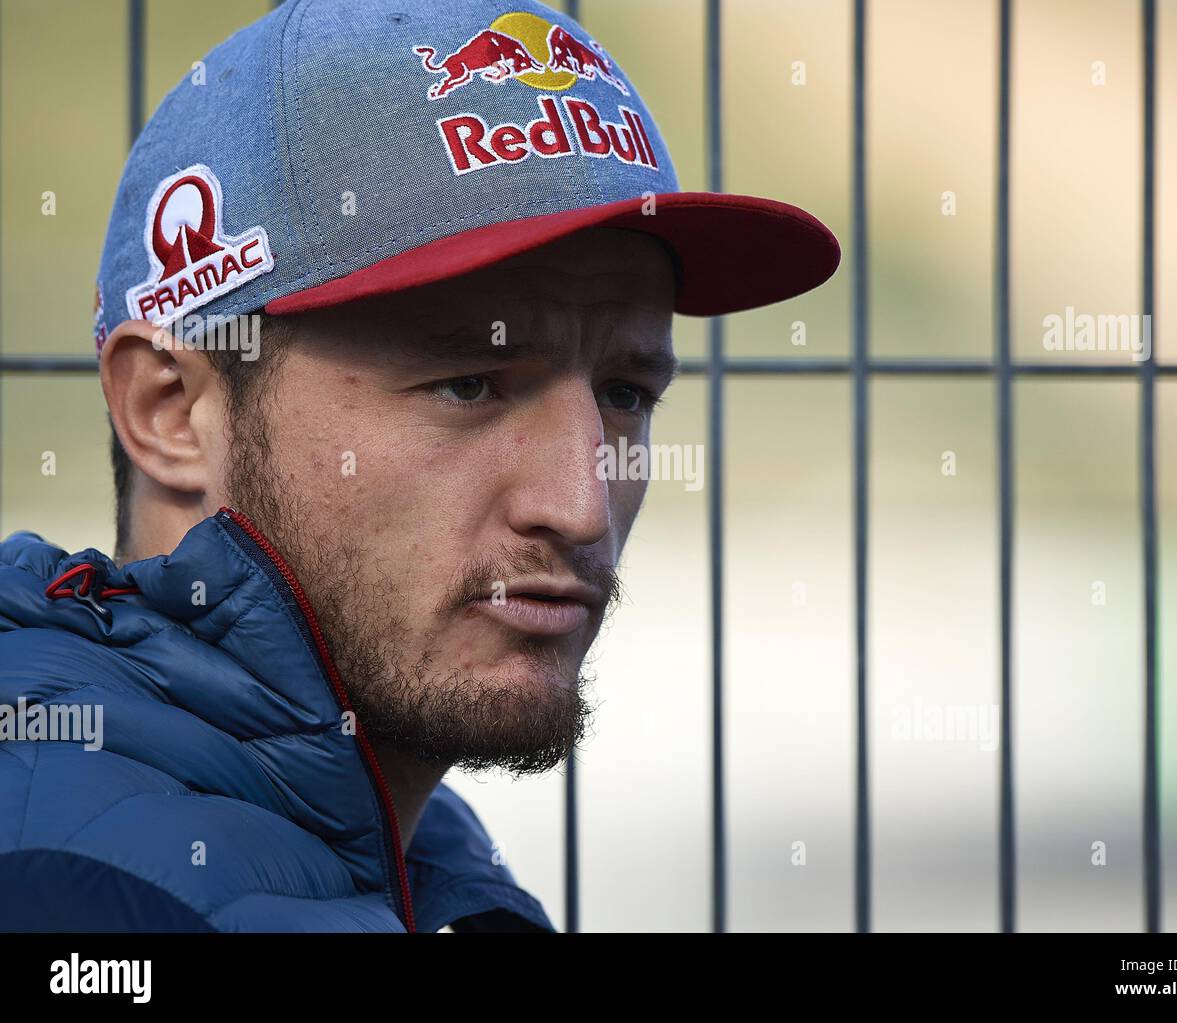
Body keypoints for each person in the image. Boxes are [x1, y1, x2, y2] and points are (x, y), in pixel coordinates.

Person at [0, 0, 838, 932]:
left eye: (625, 394)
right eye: (470, 385)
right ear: (171, 413)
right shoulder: (68, 886)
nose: (581, 504)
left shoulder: (410, 849)